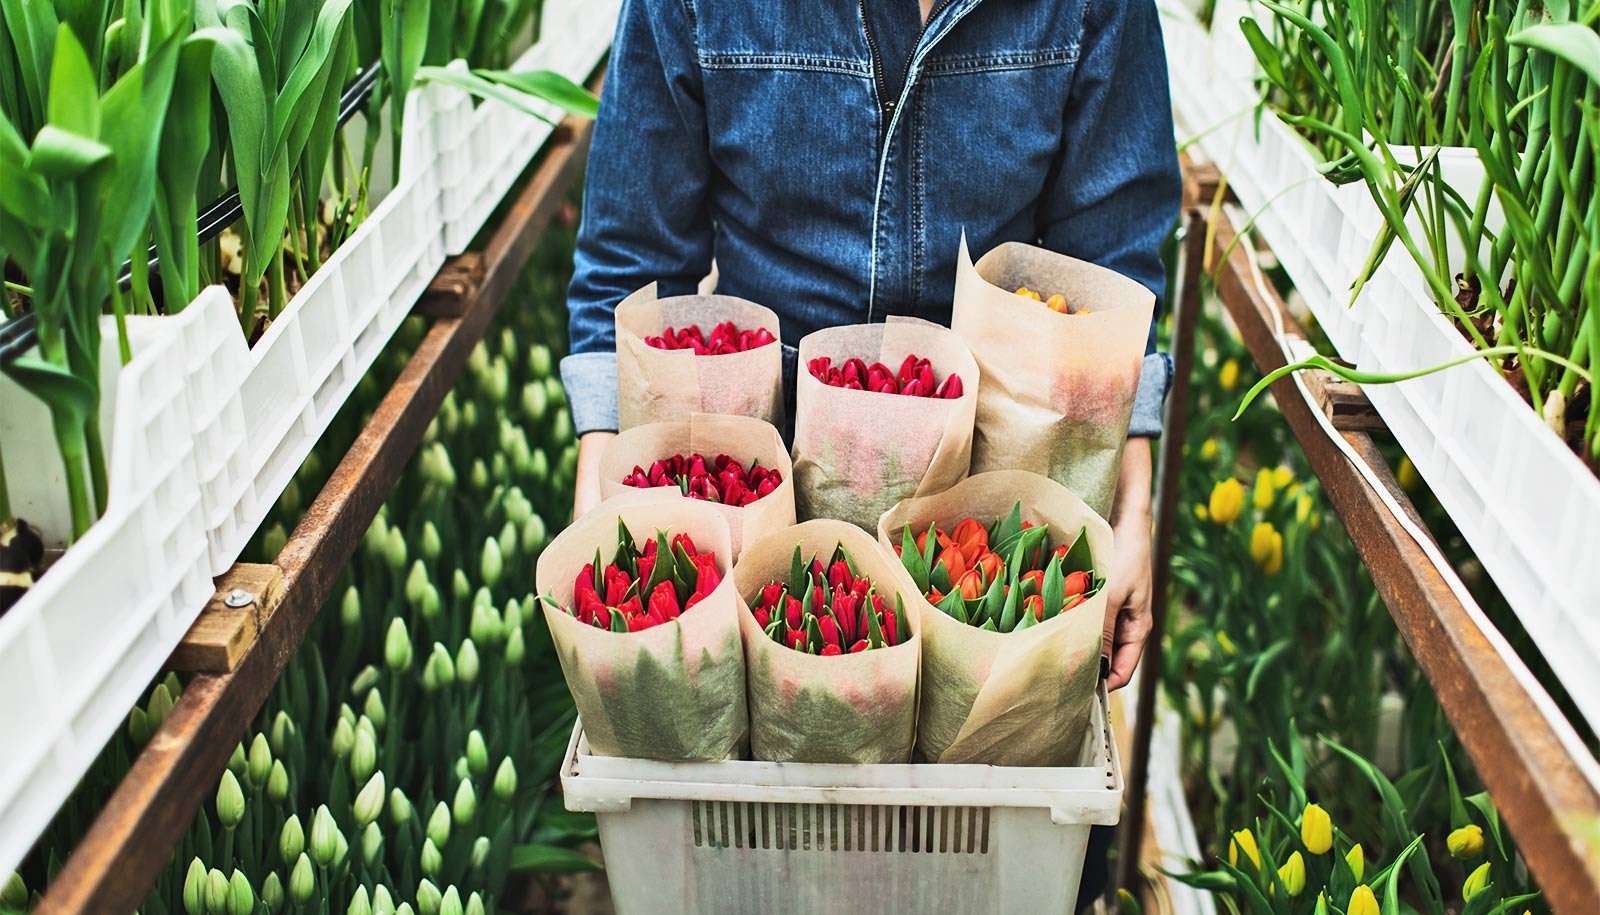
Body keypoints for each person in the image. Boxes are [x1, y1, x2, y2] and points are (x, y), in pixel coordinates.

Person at [564, 0, 1176, 770]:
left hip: (995, 520)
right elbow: (632, 261)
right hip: (756, 500)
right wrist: (601, 490)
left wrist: (1132, 509)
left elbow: (1110, 272)